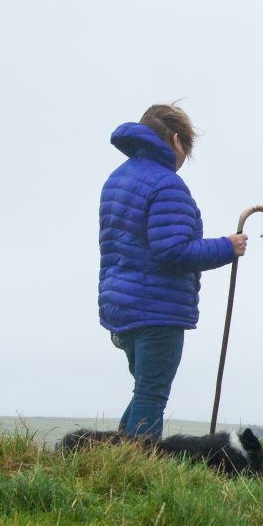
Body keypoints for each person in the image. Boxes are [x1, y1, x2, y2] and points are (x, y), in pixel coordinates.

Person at [97, 104, 248, 439]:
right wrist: (228, 246)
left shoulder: (117, 179)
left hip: (120, 305)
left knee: (145, 389)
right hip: (156, 308)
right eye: (187, 148)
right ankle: (138, 468)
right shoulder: (167, 186)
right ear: (177, 140)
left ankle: (116, 459)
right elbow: (173, 250)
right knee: (152, 394)